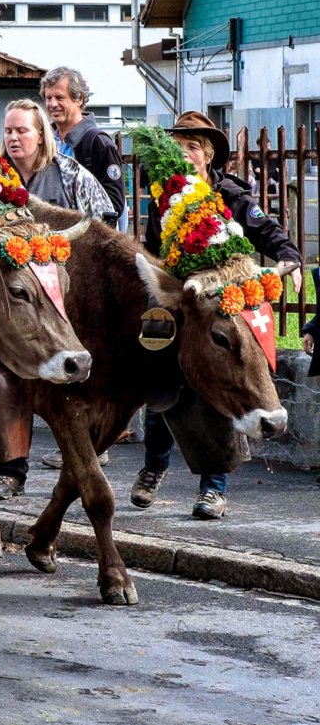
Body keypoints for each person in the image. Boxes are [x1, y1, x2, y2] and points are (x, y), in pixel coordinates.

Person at [132, 110, 302, 520]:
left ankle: (213, 489)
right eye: (178, 147)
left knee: (222, 393)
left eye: (192, 146)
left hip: (223, 312)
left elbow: (270, 233)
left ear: (208, 155)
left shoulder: (229, 194)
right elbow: (154, 250)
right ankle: (154, 466)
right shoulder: (163, 197)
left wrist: (290, 259)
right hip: (182, 307)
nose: (185, 154)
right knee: (162, 392)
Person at [0, 98, 117, 502]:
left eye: (21, 130)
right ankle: (10, 469)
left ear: (41, 135)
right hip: (14, 299)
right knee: (9, 378)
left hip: (67, 296)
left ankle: (84, 460)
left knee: (68, 387)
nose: (13, 137)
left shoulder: (70, 175)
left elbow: (104, 224)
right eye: (8, 130)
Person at [41, 66, 127, 229]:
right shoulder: (45, 141)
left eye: (59, 97)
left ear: (79, 98)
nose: (52, 104)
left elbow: (114, 205)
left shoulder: (98, 143)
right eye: (48, 97)